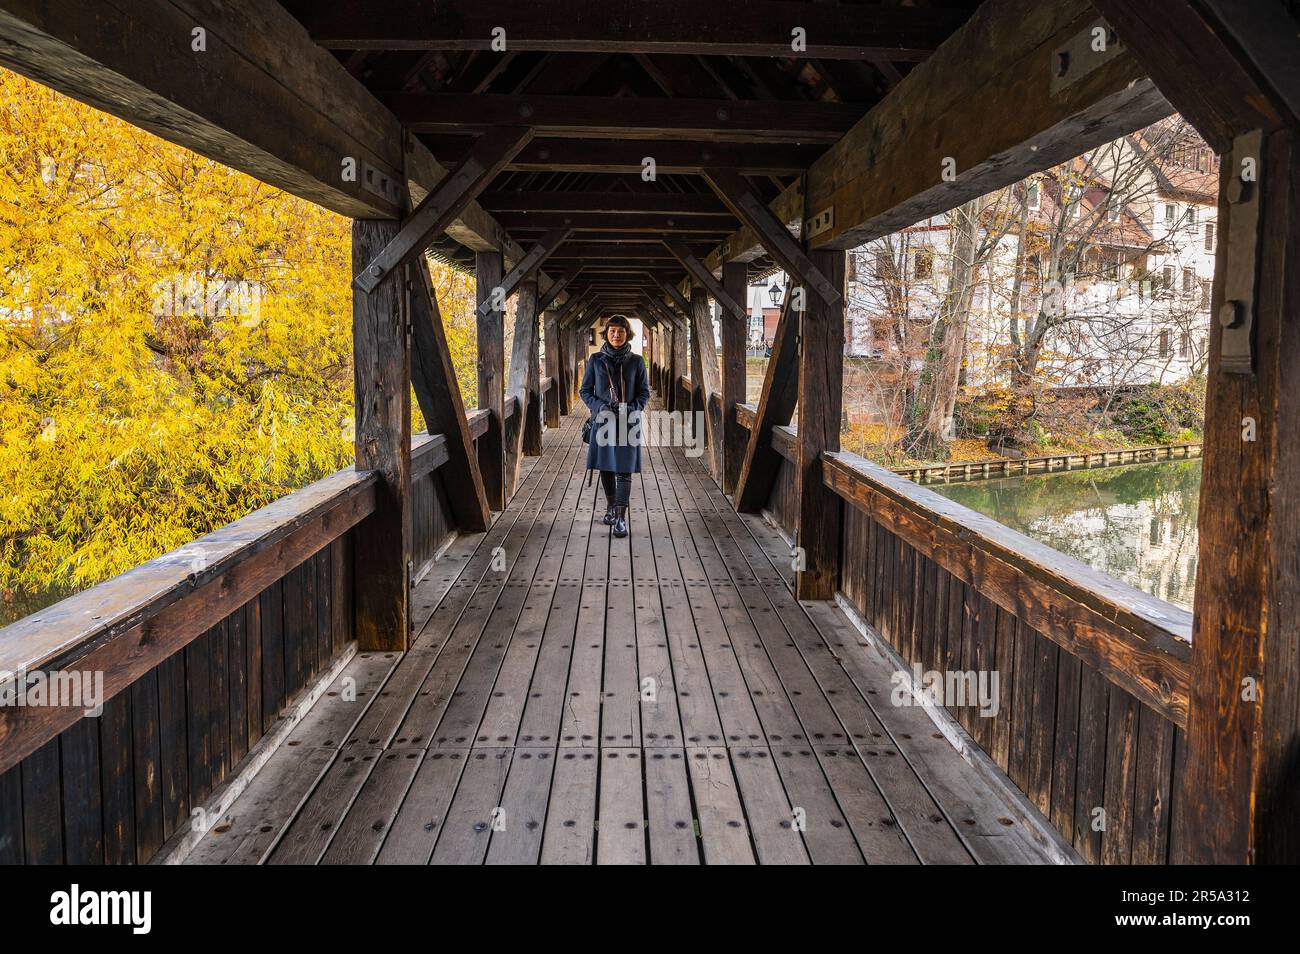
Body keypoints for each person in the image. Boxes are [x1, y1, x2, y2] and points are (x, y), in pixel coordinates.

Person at [580, 314, 650, 538]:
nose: (616, 335)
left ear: (627, 334)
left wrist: (631, 408)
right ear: (606, 334)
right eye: (612, 331)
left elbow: (644, 394)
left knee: (624, 470)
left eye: (620, 331)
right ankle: (611, 507)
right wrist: (600, 407)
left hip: (629, 423)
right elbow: (585, 391)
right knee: (606, 467)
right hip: (603, 422)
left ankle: (620, 518)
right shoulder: (596, 360)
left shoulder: (637, 362)